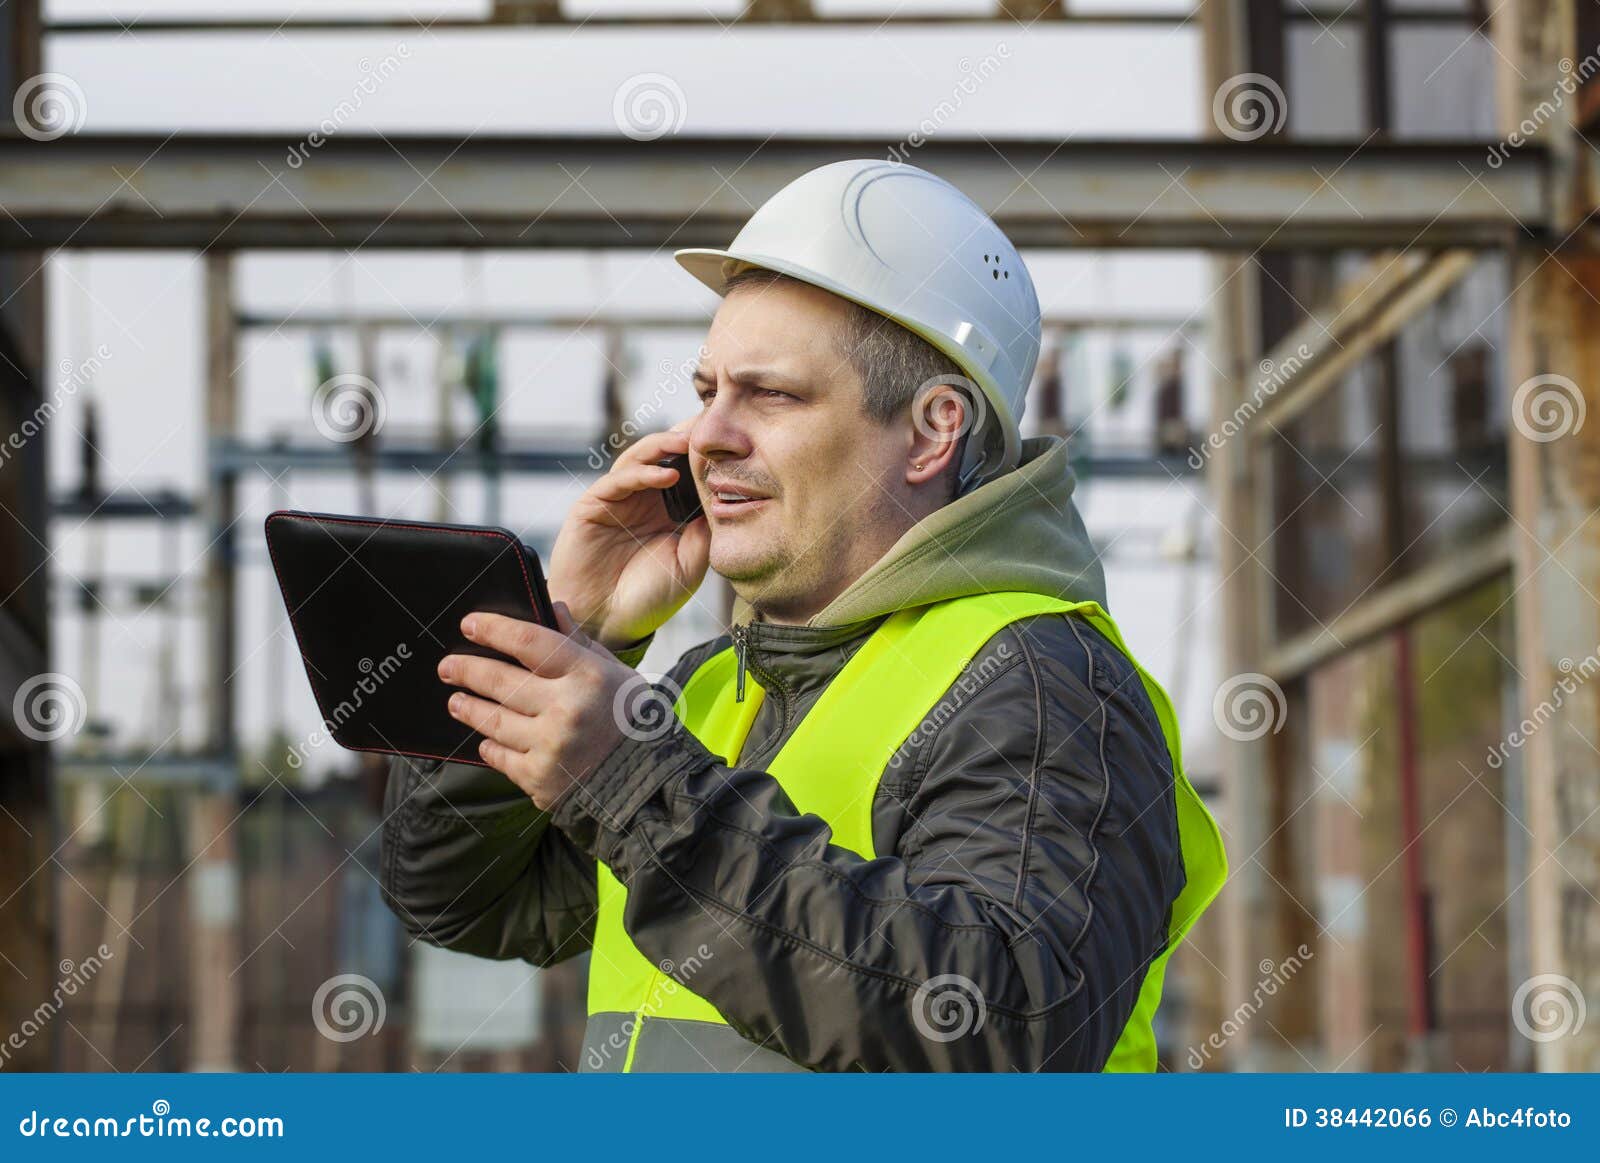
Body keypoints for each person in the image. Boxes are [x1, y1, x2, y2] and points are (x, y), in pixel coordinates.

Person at [378, 159, 1225, 1073]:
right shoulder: (713, 688)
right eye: (709, 393)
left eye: (770, 395)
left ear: (935, 429)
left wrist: (629, 782)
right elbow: (456, 898)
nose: (707, 436)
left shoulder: (1045, 681)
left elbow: (1005, 1024)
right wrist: (568, 634)